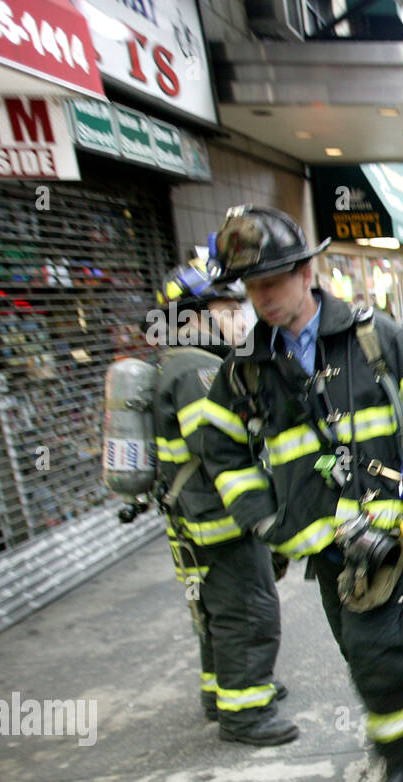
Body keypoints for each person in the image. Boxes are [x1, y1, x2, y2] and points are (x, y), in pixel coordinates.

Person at [198, 205, 403, 782]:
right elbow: (219, 447)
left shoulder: (376, 336)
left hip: (396, 535)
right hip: (325, 545)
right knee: (363, 648)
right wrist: (262, 520)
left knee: (372, 648)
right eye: (252, 288)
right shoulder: (246, 368)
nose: (263, 298)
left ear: (308, 271)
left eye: (273, 281)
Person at [150, 261, 293, 743]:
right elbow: (217, 447)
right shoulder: (199, 369)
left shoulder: (175, 362)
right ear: (191, 317)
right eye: (227, 309)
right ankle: (246, 712)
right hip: (220, 520)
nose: (239, 319)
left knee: (213, 614)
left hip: (191, 523)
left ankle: (222, 693)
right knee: (248, 612)